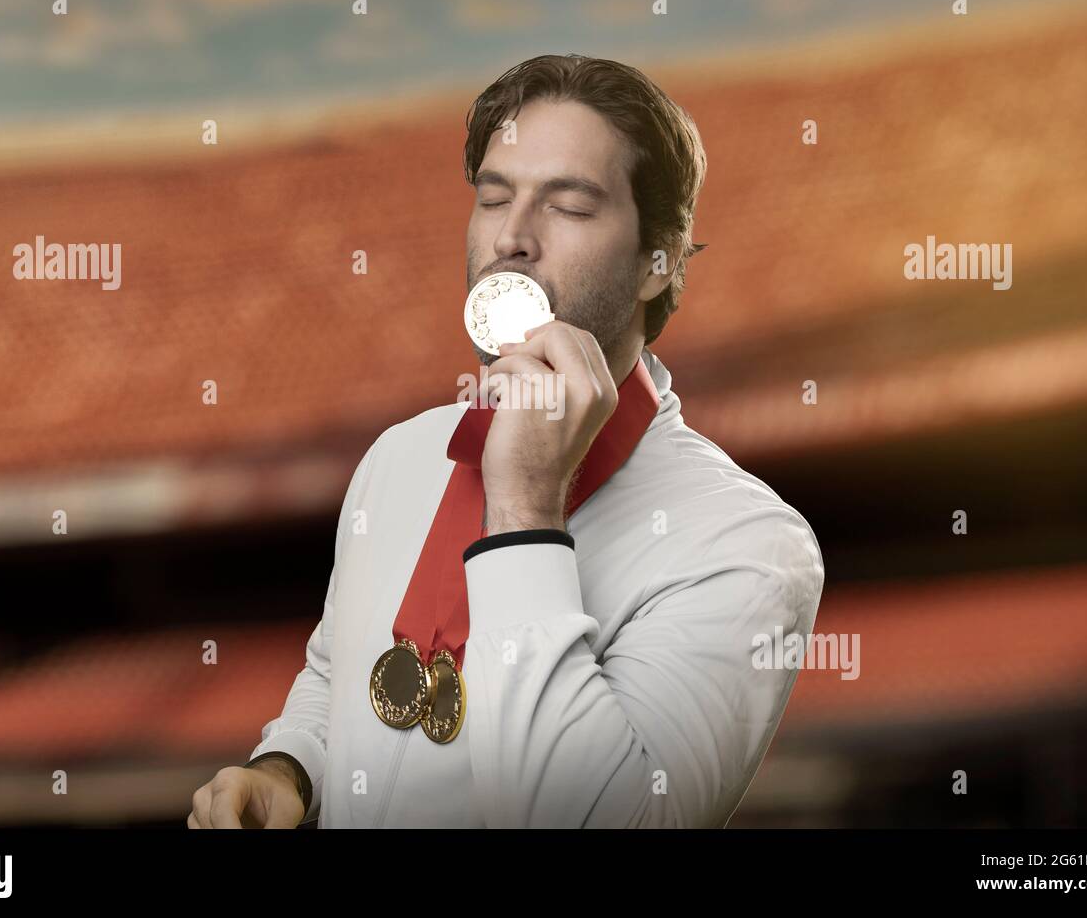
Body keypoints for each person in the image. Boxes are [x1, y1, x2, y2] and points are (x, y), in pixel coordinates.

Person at [189, 54, 823, 829]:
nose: (513, 238)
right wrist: (291, 769)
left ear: (657, 261)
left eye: (570, 206)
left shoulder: (748, 545)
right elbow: (336, 673)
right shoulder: (400, 457)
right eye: (494, 198)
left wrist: (527, 505)